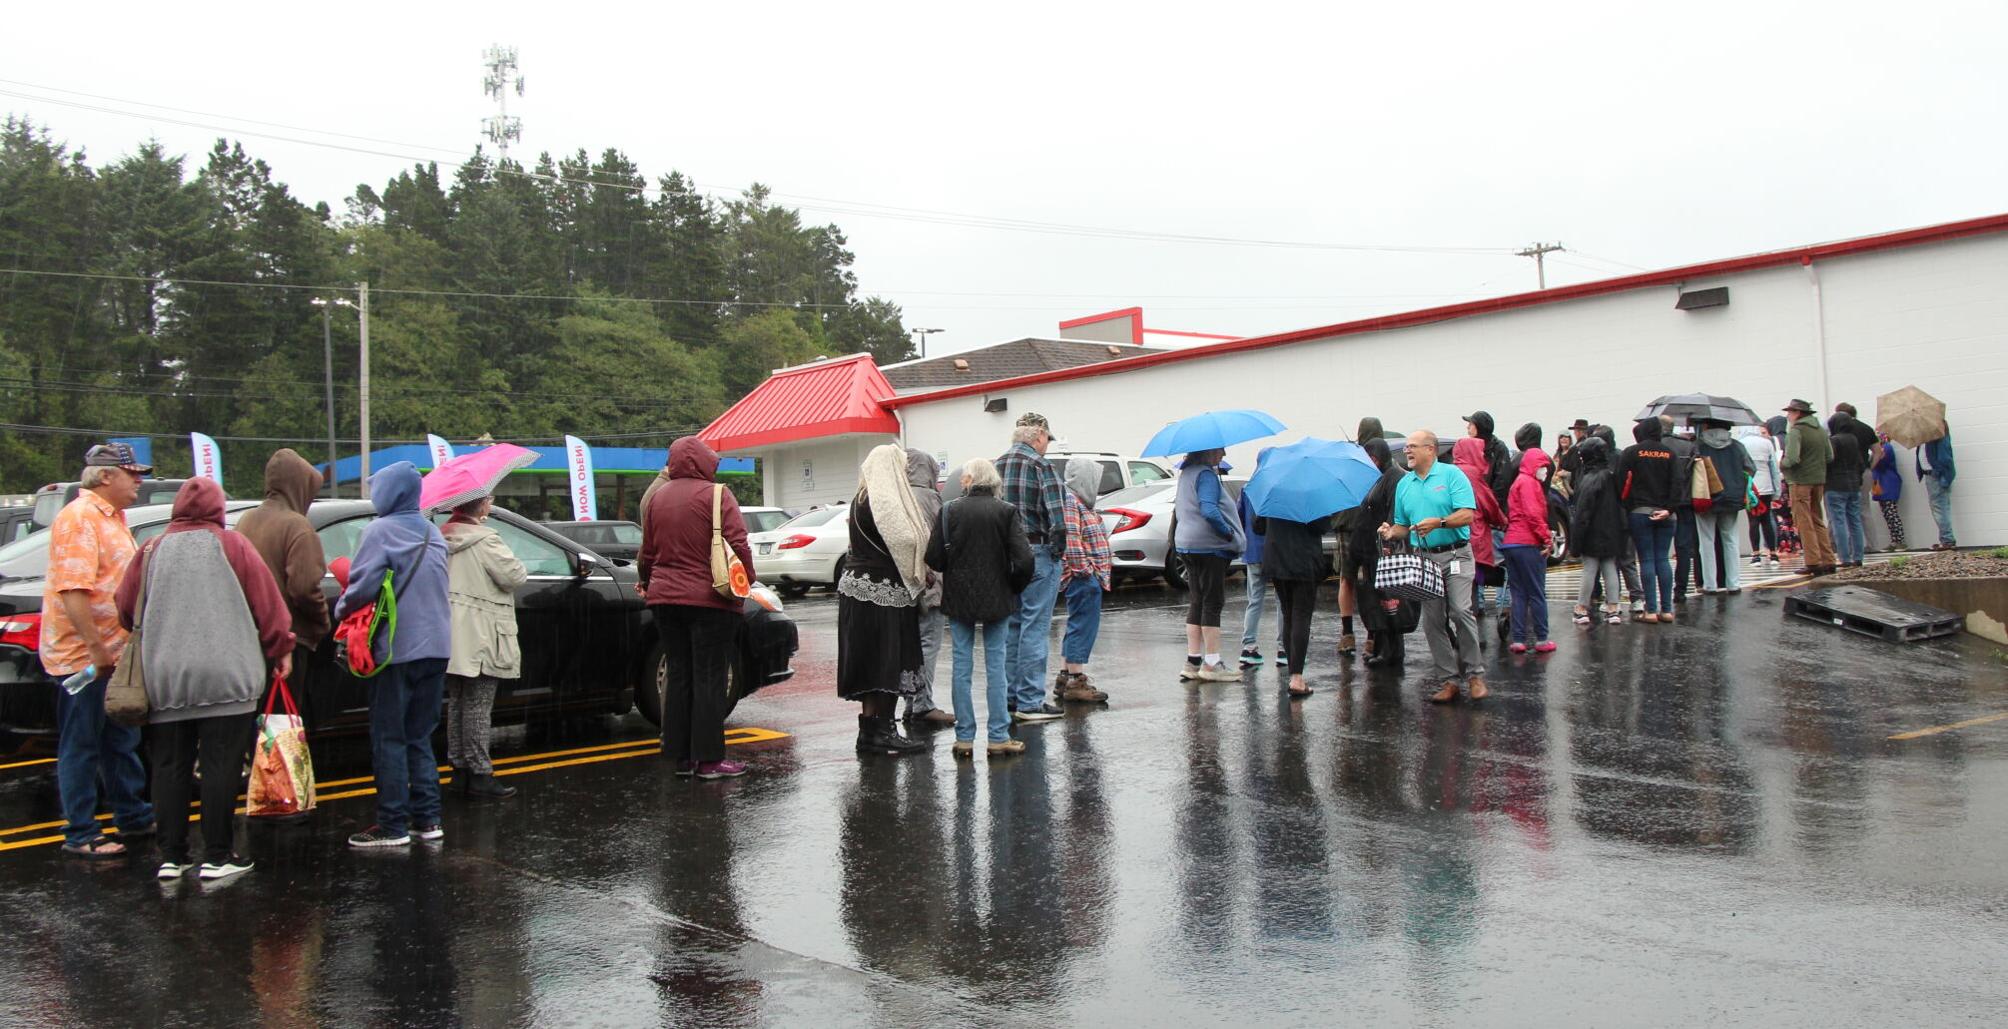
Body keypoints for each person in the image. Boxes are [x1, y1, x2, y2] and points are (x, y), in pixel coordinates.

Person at [115, 478, 293, 881]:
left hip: (165, 677)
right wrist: (280, 647)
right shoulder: (233, 546)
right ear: (218, 508)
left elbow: (125, 609)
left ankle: (171, 857)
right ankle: (218, 854)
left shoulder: (151, 549)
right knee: (220, 765)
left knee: (169, 766)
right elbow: (268, 605)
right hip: (227, 675)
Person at [40, 443, 155, 860]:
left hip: (112, 654)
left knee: (120, 739)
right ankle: (81, 831)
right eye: (132, 473)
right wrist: (95, 648)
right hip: (83, 660)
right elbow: (72, 590)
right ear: (105, 476)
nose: (139, 481)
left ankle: (134, 815)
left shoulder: (113, 517)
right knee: (83, 744)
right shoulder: (79, 519)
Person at [336, 462, 452, 848]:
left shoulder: (379, 531)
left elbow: (362, 588)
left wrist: (340, 610)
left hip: (396, 650)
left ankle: (392, 824)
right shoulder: (433, 533)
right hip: (437, 647)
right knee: (420, 735)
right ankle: (428, 818)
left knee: (389, 737)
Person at [639, 437, 758, 776]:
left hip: (664, 599)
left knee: (679, 674)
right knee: (710, 676)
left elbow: (647, 552)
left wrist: (649, 583)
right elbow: (737, 543)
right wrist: (747, 578)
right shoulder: (717, 494)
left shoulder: (657, 498)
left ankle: (682, 757)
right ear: (704, 462)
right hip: (710, 599)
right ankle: (708, 760)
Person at [926, 459, 1035, 757]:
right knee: (996, 666)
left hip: (959, 598)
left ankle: (964, 738)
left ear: (970, 479)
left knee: (962, 666)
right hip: (998, 597)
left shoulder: (949, 511)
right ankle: (998, 737)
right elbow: (1025, 559)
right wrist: (1013, 585)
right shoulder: (1006, 511)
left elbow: (934, 558)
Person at [837, 444, 933, 755]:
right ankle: (884, 730)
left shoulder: (859, 498)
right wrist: (920, 566)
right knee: (888, 659)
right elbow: (904, 539)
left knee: (870, 660)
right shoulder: (884, 500)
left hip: (859, 588)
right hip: (883, 590)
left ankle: (870, 731)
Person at [1379, 430, 1485, 703]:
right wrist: (1391, 532)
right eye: (1407, 448)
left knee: (1461, 611)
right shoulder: (1405, 484)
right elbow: (1404, 526)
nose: (1407, 452)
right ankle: (1449, 680)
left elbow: (1467, 515)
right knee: (1433, 621)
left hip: (1457, 556)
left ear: (1431, 450)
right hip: (1425, 561)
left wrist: (1439, 523)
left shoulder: (1452, 475)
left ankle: (1475, 675)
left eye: (1413, 447)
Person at [442, 494, 528, 797]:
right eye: (488, 500)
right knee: (478, 704)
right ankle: (480, 772)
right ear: (480, 505)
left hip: (451, 632)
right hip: (482, 631)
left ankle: (459, 768)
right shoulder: (485, 540)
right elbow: (515, 576)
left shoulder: (443, 537)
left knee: (458, 702)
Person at [997, 412, 1068, 722]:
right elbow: (1059, 520)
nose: (1046, 446)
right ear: (1039, 435)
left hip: (1005, 554)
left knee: (1012, 626)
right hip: (1038, 550)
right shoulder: (1042, 466)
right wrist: (1058, 552)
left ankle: (1011, 698)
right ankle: (1030, 701)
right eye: (1047, 440)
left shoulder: (995, 465)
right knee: (1035, 627)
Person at [236, 448, 332, 666]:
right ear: (299, 487)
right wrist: (322, 623)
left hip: (251, 638)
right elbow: (304, 588)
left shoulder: (245, 520)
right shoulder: (298, 526)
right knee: (287, 701)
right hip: (290, 641)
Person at [1251, 471, 1328, 698]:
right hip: (1303, 560)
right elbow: (1322, 526)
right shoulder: (1312, 494)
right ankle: (1297, 677)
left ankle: (1293, 671)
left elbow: (1258, 526)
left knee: (1288, 613)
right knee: (1301, 615)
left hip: (1277, 559)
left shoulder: (1273, 492)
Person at [1174, 447, 1244, 683]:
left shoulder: (1186, 474)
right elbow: (1209, 510)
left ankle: (1192, 661)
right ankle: (1212, 663)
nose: (1223, 455)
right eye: (1219, 451)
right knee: (1213, 602)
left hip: (1187, 545)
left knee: (1197, 601)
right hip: (1209, 547)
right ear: (1207, 452)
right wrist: (1228, 534)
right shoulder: (1205, 475)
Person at [900, 449, 956, 728]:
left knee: (908, 646)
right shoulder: (929, 497)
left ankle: (910, 703)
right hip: (929, 580)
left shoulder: (897, 495)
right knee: (928, 643)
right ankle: (924, 705)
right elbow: (941, 539)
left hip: (903, 582)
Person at [1057, 456, 1112, 704]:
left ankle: (1066, 675)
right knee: (1083, 626)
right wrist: (1084, 570)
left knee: (1077, 624)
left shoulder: (1081, 501)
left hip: (1088, 575)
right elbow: (1071, 538)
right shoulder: (1071, 500)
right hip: (1083, 577)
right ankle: (1076, 681)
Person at [1350, 438, 1407, 669]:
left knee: (1390, 601)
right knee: (1379, 601)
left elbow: (1394, 513)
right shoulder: (1379, 477)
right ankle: (1383, 647)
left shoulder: (1394, 477)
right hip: (1372, 550)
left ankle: (1392, 651)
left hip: (1385, 549)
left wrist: (1388, 540)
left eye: (1372, 458)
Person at [1332, 417, 1387, 659]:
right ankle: (1372, 637)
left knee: (1347, 579)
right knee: (1371, 582)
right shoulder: (1380, 461)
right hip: (1369, 528)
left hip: (1343, 525)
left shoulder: (1347, 459)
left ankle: (1346, 634)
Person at [1614, 419, 1680, 622]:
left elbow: (1619, 481)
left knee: (1647, 560)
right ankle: (1667, 610)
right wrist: (1669, 509)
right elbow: (1677, 483)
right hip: (1667, 514)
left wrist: (1628, 505)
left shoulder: (1632, 452)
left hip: (1640, 512)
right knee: (1663, 559)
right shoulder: (1669, 453)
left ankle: (1650, 610)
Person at [1450, 437, 1509, 640]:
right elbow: (1489, 505)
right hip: (1473, 539)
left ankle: (1460, 630)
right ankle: (1471, 634)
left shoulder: (1448, 472)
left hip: (1449, 539)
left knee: (1456, 585)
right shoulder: (1473, 475)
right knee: (1472, 583)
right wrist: (1502, 520)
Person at [1568, 437, 1628, 626]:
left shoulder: (1589, 479)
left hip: (1592, 533)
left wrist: (1575, 543)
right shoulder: (1611, 476)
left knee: (1589, 569)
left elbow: (1582, 514)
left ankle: (1581, 608)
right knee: (1610, 567)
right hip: (1612, 531)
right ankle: (1613, 608)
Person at [1501, 446, 1555, 652]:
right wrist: (1547, 539)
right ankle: (1542, 639)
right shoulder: (1530, 484)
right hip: (1528, 543)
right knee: (1536, 592)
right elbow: (1534, 515)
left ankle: (1519, 639)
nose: (1545, 471)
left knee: (1519, 593)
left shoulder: (1517, 483)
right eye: (1543, 467)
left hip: (1511, 543)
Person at [1695, 420, 1755, 593]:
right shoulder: (1737, 446)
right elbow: (1750, 468)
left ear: (1706, 426)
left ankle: (1710, 584)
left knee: (1706, 540)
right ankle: (1733, 583)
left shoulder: (1699, 446)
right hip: (1732, 497)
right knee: (1730, 540)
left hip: (1707, 497)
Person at [1778, 399, 1835, 576]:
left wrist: (1781, 463)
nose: (1788, 416)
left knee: (1804, 522)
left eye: (1790, 412)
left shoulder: (1796, 431)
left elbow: (1792, 459)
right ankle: (1828, 560)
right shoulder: (1819, 430)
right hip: (1818, 480)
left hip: (1800, 481)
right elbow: (1829, 456)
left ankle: (1812, 562)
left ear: (1797, 413)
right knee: (1817, 519)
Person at [1659, 414, 1702, 604]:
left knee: (1657, 551)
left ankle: (1659, 593)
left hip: (1659, 503)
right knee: (1684, 548)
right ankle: (1680, 590)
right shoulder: (1688, 446)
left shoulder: (1653, 447)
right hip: (1685, 502)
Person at [1824, 410, 1871, 569]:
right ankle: (1858, 556)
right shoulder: (1854, 440)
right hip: (1853, 486)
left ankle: (1844, 557)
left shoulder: (1834, 440)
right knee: (1855, 521)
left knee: (1839, 522)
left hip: (1835, 485)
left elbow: (1828, 461)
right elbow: (1860, 463)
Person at [1236, 468, 1270, 669]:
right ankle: (1283, 648)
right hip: (1274, 551)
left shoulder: (1246, 489)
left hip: (1252, 552)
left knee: (1254, 600)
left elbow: (1238, 517)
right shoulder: (1274, 488)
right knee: (1283, 601)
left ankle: (1249, 646)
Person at [1736, 424, 1782, 568]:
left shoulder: (1740, 444)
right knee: (1766, 520)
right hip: (1766, 486)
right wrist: (1777, 491)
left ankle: (1756, 555)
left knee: (1753, 521)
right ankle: (1773, 553)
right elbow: (1774, 468)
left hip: (1749, 487)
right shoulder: (1766, 443)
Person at [1915, 423, 1957, 550]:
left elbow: (1945, 458)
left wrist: (1941, 474)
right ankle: (1946, 538)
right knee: (1940, 507)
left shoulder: (1938, 438)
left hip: (1936, 476)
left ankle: (1947, 540)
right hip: (1931, 475)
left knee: (1940, 508)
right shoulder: (1927, 439)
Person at [1463, 411, 1515, 510]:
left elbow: (1502, 481)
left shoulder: (1498, 448)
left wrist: (1490, 507)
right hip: (1475, 508)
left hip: (1491, 509)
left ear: (1479, 427)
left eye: (1471, 424)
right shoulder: (1470, 448)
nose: (1467, 427)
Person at [1869, 433, 1907, 552]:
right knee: (1887, 513)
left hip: (1888, 483)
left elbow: (1880, 462)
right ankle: (1894, 540)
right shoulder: (1882, 448)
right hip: (1881, 483)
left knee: (1891, 513)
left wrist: (1873, 457)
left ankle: (1900, 541)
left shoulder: (1886, 448)